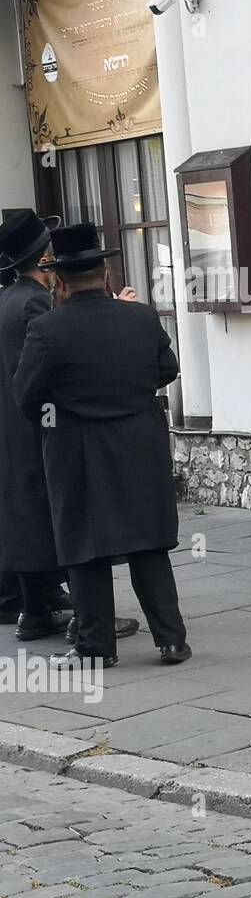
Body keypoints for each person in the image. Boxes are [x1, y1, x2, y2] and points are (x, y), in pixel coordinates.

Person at [13, 223, 190, 668]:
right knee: (148, 541)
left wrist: (64, 409)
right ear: (106, 271)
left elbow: (27, 396)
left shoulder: (48, 328)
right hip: (140, 439)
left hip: (76, 445)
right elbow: (167, 368)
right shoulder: (143, 317)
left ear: (61, 278)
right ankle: (171, 641)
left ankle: (96, 647)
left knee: (83, 545)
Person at [0, 210, 74, 642]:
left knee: (23, 515)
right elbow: (49, 359)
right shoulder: (31, 302)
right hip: (35, 424)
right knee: (57, 513)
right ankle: (86, 612)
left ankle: (33, 610)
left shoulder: (6, 298)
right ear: (44, 257)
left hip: (12, 425)